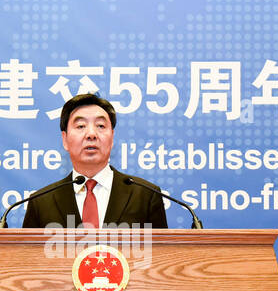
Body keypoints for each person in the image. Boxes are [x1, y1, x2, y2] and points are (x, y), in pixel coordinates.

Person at [21, 93, 169, 228]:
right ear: (65, 140)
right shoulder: (41, 202)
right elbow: (27, 256)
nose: (91, 134)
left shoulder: (145, 195)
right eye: (80, 126)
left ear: (112, 137)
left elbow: (162, 255)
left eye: (100, 126)